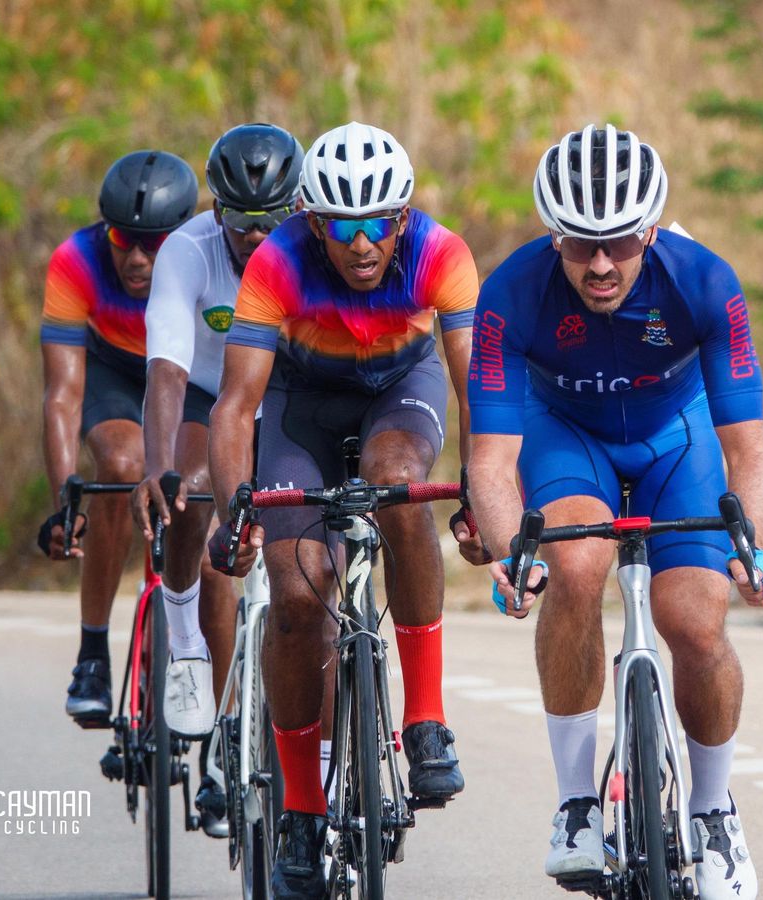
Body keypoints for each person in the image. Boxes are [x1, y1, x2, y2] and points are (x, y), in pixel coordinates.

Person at [463, 125, 763, 900]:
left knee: (696, 624)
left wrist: (753, 544)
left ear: (649, 228)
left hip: (680, 440)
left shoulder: (705, 282)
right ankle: (577, 804)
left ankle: (713, 814)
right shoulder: (509, 293)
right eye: (579, 245)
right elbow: (491, 461)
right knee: (574, 563)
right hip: (568, 438)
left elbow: (749, 449)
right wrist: (515, 553)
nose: (601, 263)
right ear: (554, 235)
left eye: (618, 243)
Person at [207, 121, 481, 900]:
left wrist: (485, 496)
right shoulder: (278, 259)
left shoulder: (440, 254)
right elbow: (235, 409)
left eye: (378, 225)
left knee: (398, 481)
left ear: (402, 219)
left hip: (403, 391)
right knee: (297, 595)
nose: (362, 244)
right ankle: (299, 805)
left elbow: (478, 393)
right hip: (302, 406)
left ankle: (424, 719)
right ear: (312, 220)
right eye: (342, 227)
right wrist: (237, 512)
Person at [129, 123, 305, 836]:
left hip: (288, 398)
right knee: (190, 490)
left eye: (272, 223)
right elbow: (167, 371)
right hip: (206, 394)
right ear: (217, 212)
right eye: (240, 222)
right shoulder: (187, 251)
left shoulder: (312, 250)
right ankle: (187, 648)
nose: (257, 239)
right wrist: (156, 464)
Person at [38, 150, 199, 728]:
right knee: (122, 461)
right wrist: (65, 504)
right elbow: (62, 394)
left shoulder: (207, 255)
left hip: (187, 376)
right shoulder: (77, 261)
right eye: (121, 239)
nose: (134, 258)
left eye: (152, 245)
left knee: (204, 479)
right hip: (117, 373)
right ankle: (92, 656)